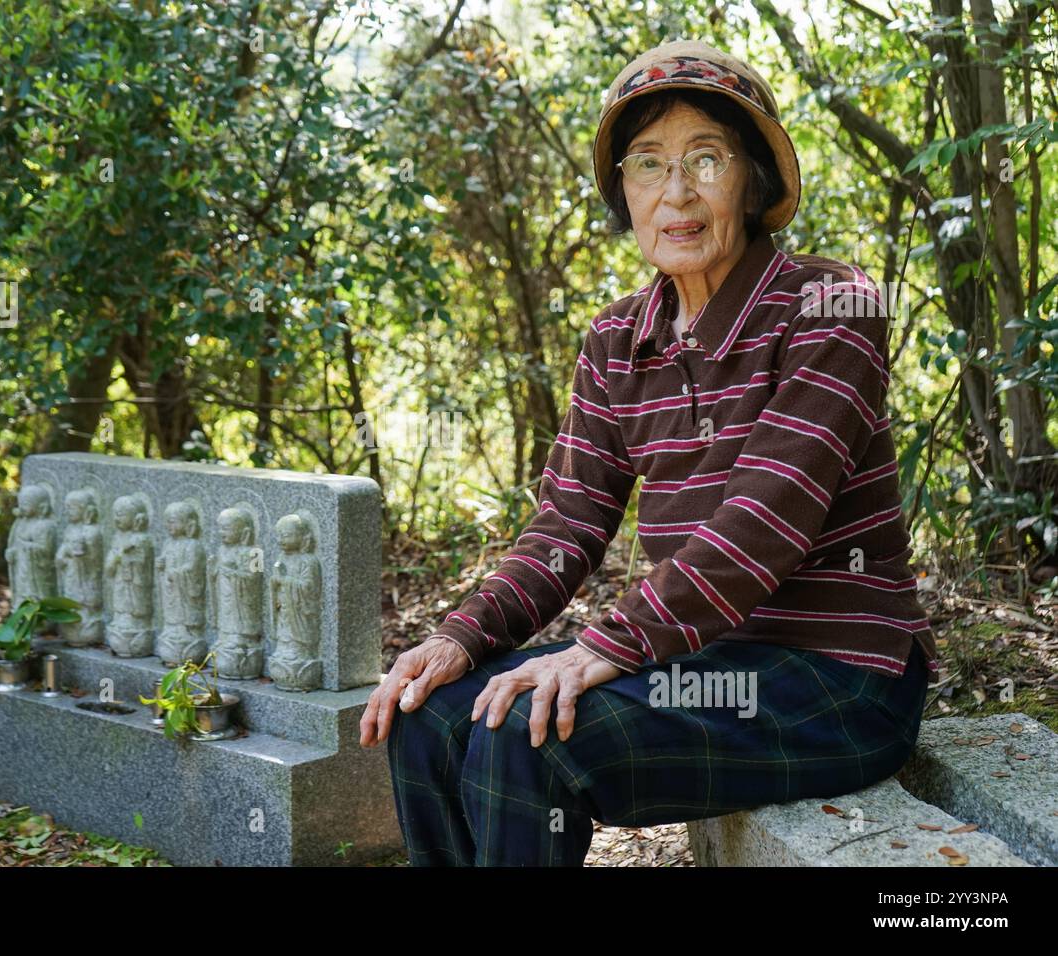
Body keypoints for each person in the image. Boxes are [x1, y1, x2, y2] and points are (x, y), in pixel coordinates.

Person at [359, 40, 938, 866]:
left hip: (837, 676)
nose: (678, 192)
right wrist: (459, 637)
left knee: (528, 740)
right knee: (429, 716)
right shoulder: (615, 341)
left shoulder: (830, 305)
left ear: (756, 181)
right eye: (648, 164)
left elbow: (761, 523)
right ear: (622, 193)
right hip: (700, 658)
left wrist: (602, 647)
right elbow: (566, 524)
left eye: (707, 159)